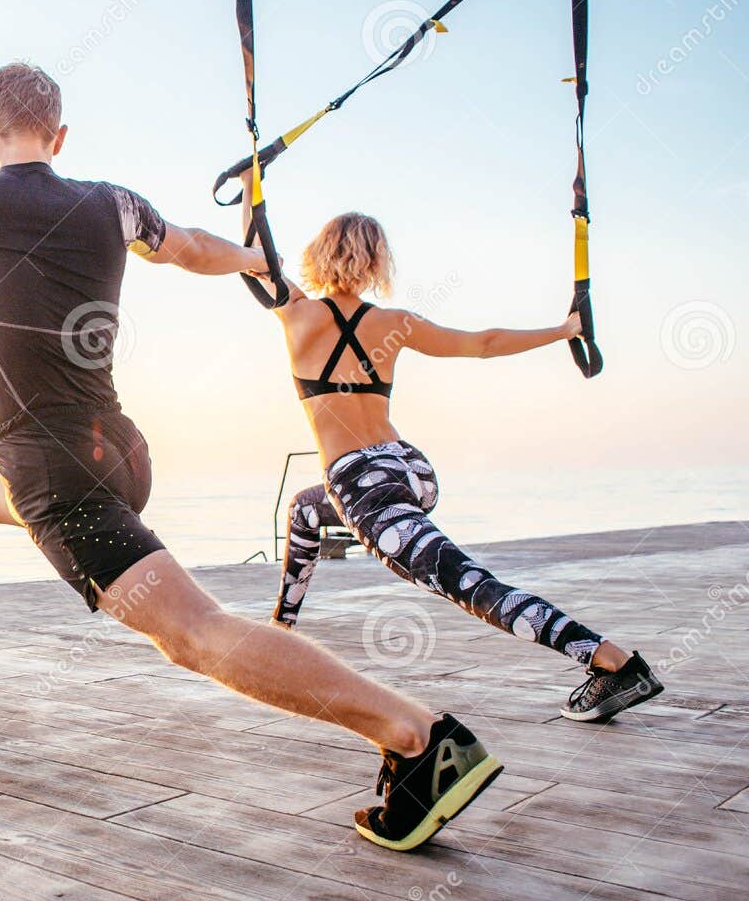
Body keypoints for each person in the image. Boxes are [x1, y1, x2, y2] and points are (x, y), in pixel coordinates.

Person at [0, 46, 499, 852]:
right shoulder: (113, 205)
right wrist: (255, 259)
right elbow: (192, 246)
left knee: (193, 634)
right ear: (58, 135)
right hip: (119, 452)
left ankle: (417, 736)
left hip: (58, 477)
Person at [247, 176, 664, 723]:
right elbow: (484, 345)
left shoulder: (296, 314)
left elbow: (253, 252)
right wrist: (564, 329)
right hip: (410, 468)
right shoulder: (397, 323)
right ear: (375, 263)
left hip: (362, 482)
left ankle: (613, 662)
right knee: (305, 508)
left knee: (471, 586)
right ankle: (282, 629)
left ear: (318, 255)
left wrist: (254, 181)